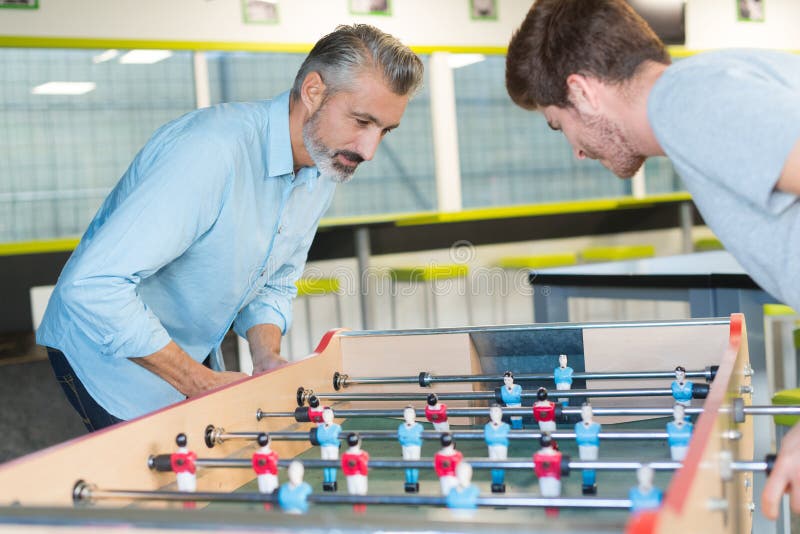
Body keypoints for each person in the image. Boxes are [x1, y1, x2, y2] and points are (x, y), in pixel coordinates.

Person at [37, 24, 424, 430]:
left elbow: (274, 279)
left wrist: (266, 356)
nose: (369, 150)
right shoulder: (210, 152)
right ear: (313, 91)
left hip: (186, 346)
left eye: (384, 130)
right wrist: (198, 380)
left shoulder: (324, 163)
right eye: (361, 121)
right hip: (105, 358)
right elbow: (93, 287)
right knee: (160, 466)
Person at [505, 0, 800, 519]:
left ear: (582, 92)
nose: (576, 150)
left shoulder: (685, 101)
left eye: (558, 124)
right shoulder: (716, 81)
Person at [397, 404, 424, 493]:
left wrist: (407, 439)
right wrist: (410, 439)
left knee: (415, 466)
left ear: (414, 415)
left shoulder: (419, 427)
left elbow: (419, 440)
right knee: (407, 466)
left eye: (410, 413)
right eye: (406, 413)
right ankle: (408, 483)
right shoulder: (401, 427)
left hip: (415, 448)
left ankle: (414, 483)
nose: (408, 415)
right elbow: (401, 439)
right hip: (405, 448)